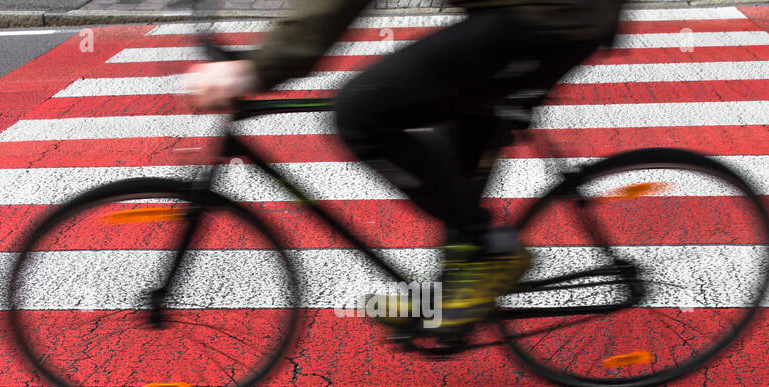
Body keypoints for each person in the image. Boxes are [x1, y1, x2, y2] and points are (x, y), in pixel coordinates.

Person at [188, 0, 622, 332]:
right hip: (535, 11)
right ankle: (455, 289)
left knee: (361, 111)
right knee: (455, 122)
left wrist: (257, 69)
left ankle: (494, 252)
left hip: (551, 15)